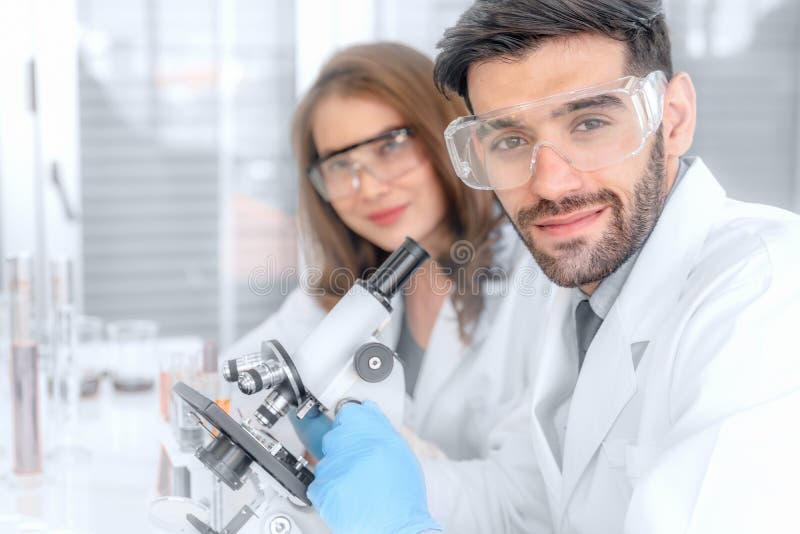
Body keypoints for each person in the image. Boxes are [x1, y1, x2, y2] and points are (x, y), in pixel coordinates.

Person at [307, 2, 800, 533]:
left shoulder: (765, 297)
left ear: (673, 118)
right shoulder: (585, 293)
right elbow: (520, 506)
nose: (551, 185)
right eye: (511, 140)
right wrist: (389, 469)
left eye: (589, 122)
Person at [224, 42, 555, 533]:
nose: (369, 186)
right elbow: (230, 387)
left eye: (391, 145)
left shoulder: (540, 278)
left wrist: (384, 472)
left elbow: (525, 504)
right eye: (340, 164)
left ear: (447, 136)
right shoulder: (353, 286)